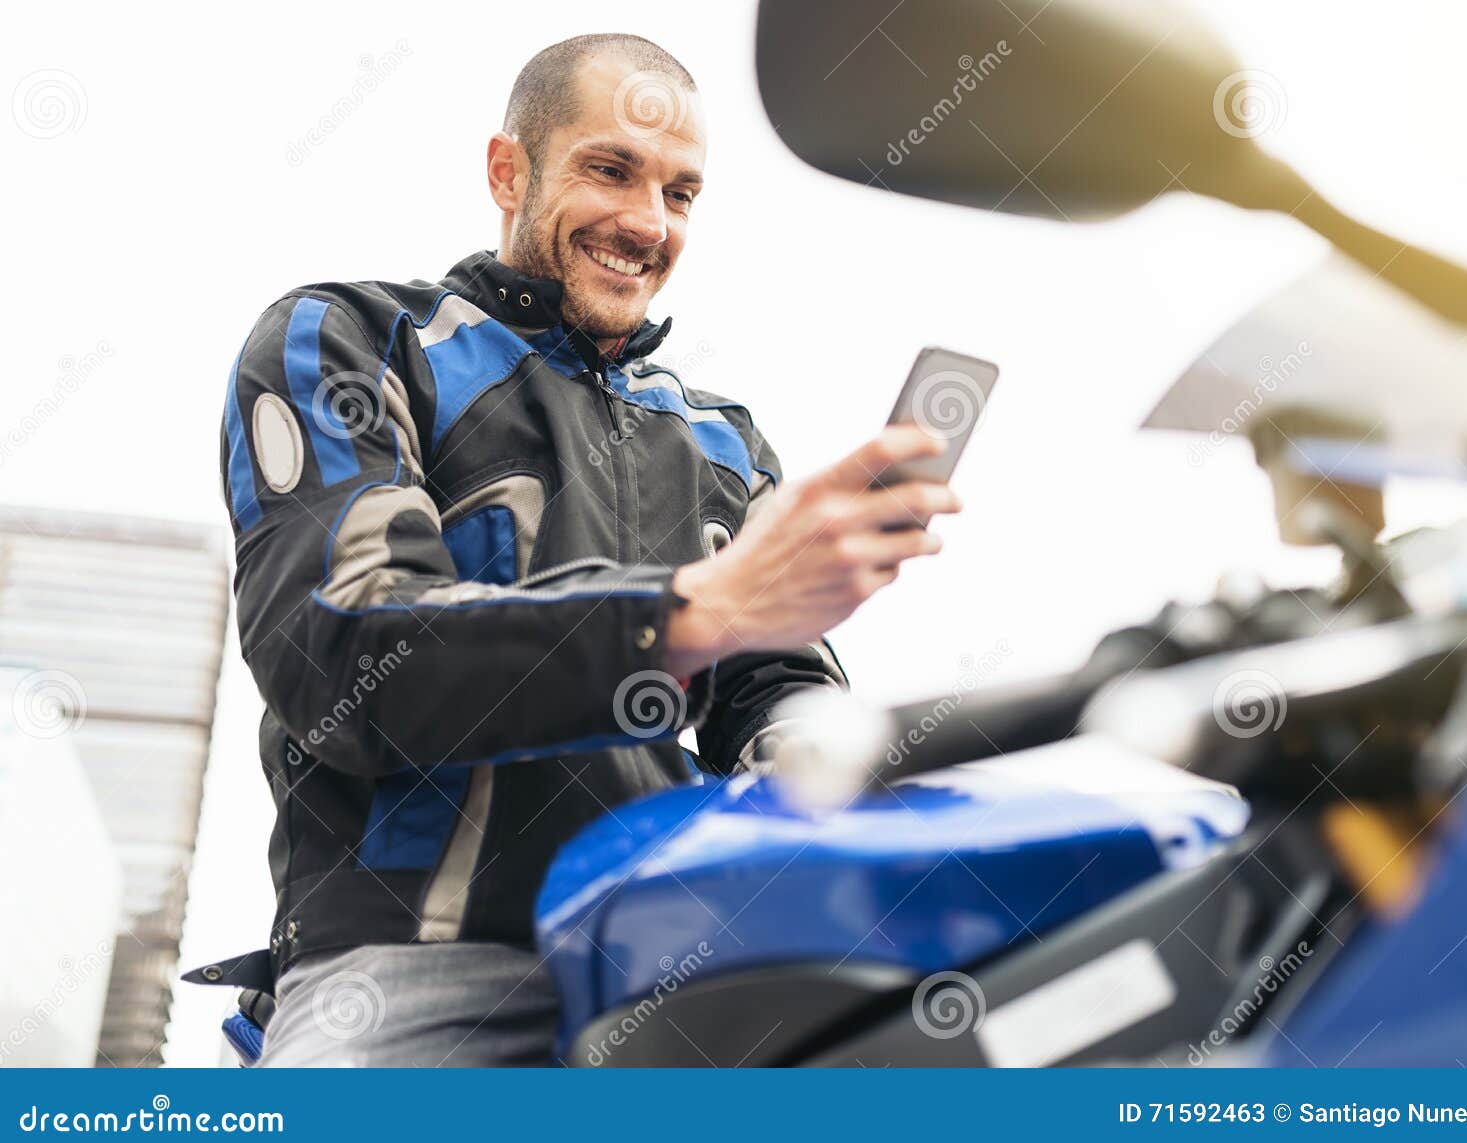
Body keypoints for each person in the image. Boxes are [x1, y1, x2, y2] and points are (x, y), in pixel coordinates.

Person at [210, 32, 960, 1065]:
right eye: (609, 171)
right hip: (418, 971)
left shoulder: (724, 440)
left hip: (684, 955)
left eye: (681, 194)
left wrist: (825, 749)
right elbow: (348, 650)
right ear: (506, 170)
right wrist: (699, 609)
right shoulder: (350, 337)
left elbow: (771, 687)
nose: (645, 223)